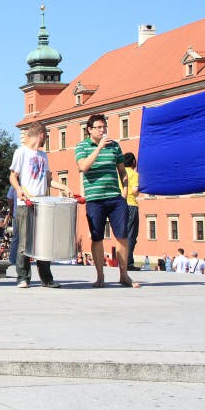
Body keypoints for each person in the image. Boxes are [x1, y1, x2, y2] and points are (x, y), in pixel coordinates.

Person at [74, 114, 139, 288]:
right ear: (90, 129)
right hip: (95, 199)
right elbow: (83, 167)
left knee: (122, 236)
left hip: (115, 198)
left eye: (104, 127)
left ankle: (124, 275)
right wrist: (99, 148)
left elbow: (122, 171)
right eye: (99, 127)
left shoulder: (115, 147)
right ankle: (100, 276)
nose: (103, 130)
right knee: (97, 238)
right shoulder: (82, 147)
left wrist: (124, 192)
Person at [10, 122, 71, 288]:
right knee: (24, 241)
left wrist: (63, 187)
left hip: (43, 203)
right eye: (46, 136)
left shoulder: (44, 156)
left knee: (44, 242)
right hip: (26, 203)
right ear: (42, 135)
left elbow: (48, 180)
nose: (46, 140)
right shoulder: (21, 152)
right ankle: (23, 277)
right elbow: (13, 176)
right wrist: (18, 190)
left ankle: (46, 279)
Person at [121, 152, 140, 270]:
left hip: (120, 205)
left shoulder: (120, 173)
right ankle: (128, 262)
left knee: (122, 234)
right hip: (131, 205)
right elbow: (134, 191)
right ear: (133, 162)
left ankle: (123, 261)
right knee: (131, 234)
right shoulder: (134, 174)